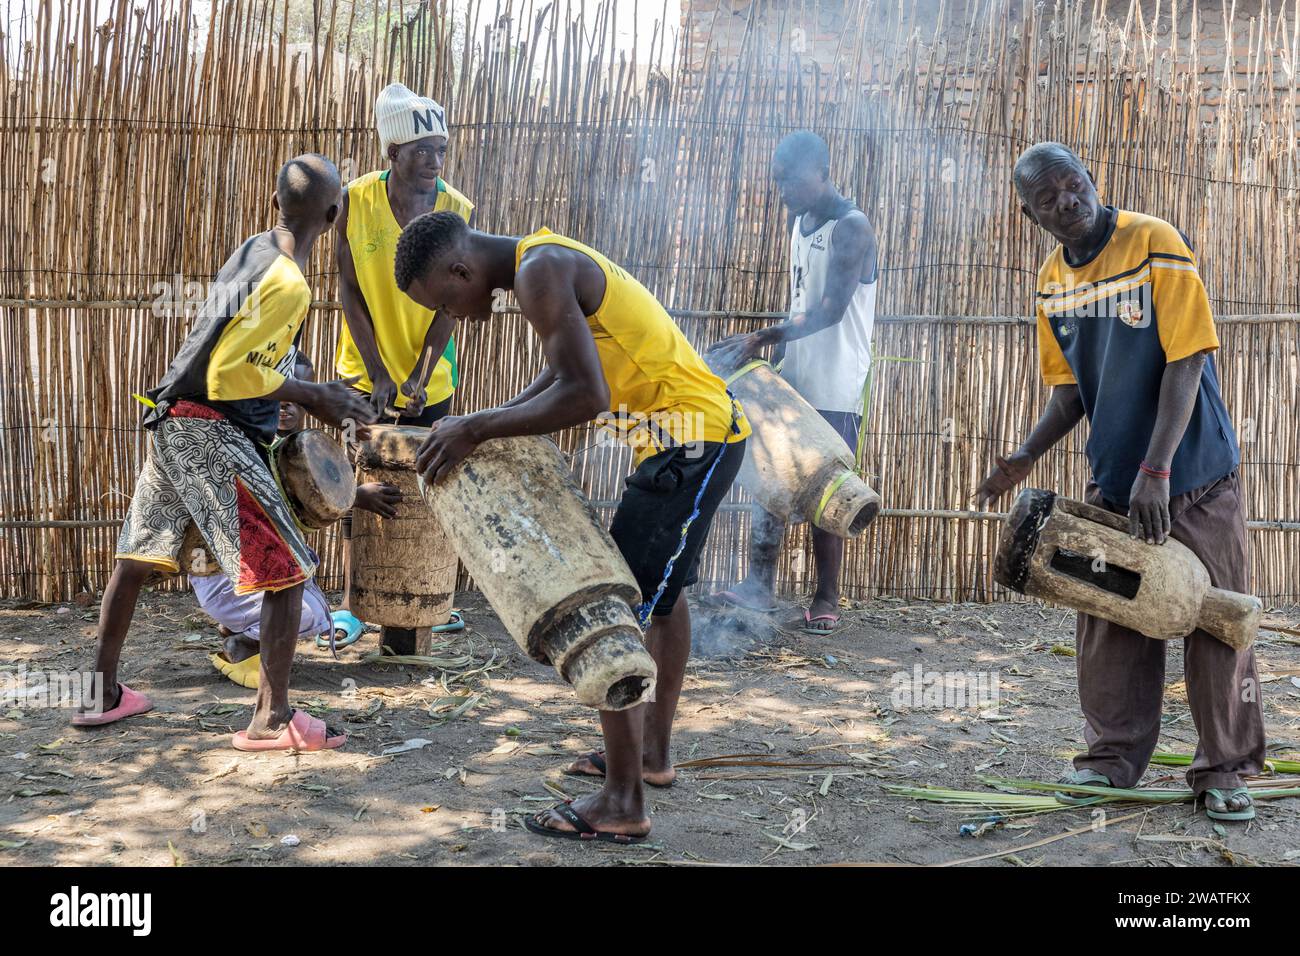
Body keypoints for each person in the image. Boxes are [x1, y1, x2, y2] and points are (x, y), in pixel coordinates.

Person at [393, 211, 750, 843]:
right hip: (684, 441)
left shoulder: (539, 271)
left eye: (445, 301)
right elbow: (564, 373)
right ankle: (650, 758)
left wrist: (475, 427)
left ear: (460, 269)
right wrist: (487, 416)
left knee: (612, 616)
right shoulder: (542, 260)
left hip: (691, 441)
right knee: (662, 601)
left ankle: (622, 802)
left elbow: (585, 396)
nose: (452, 317)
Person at [974, 141, 1265, 823]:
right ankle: (1110, 762)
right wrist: (1022, 459)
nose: (1067, 202)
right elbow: (1069, 394)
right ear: (1030, 214)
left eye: (1072, 185)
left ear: (1090, 179)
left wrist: (1157, 471)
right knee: (1111, 623)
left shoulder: (1155, 243)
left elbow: (1187, 361)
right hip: (1116, 484)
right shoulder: (1052, 283)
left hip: (1193, 475)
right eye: (1048, 199)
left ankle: (1224, 770)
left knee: (1218, 620)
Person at [76, 155, 377, 752]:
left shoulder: (253, 248)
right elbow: (233, 373)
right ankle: (271, 720)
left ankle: (99, 694)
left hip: (174, 421)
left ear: (275, 203)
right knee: (287, 572)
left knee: (137, 561)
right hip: (212, 431)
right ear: (335, 214)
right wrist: (316, 394)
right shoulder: (288, 281)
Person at [708, 131, 878, 634]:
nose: (781, 187)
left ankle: (827, 597)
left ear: (822, 172)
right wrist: (774, 358)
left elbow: (829, 311)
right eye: (777, 178)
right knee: (773, 478)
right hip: (797, 375)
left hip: (837, 380)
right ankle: (759, 587)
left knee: (828, 488)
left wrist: (761, 337)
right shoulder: (801, 221)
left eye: (791, 179)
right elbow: (799, 301)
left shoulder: (852, 227)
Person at [335, 81, 473, 641]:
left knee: (426, 488)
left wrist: (416, 375)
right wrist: (380, 374)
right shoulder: (355, 199)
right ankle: (353, 600)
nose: (434, 161)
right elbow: (349, 288)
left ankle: (425, 601)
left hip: (431, 374)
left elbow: (451, 304)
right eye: (422, 151)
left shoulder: (456, 208)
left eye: (440, 149)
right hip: (362, 369)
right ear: (391, 153)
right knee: (357, 485)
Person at [200, 354, 402, 689]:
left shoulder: (302, 447)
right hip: (227, 573)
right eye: (278, 398)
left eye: (298, 399)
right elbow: (274, 510)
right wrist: (354, 497)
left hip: (253, 571)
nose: (286, 408)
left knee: (312, 609)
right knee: (305, 616)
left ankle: (239, 625)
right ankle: (243, 642)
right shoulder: (247, 446)